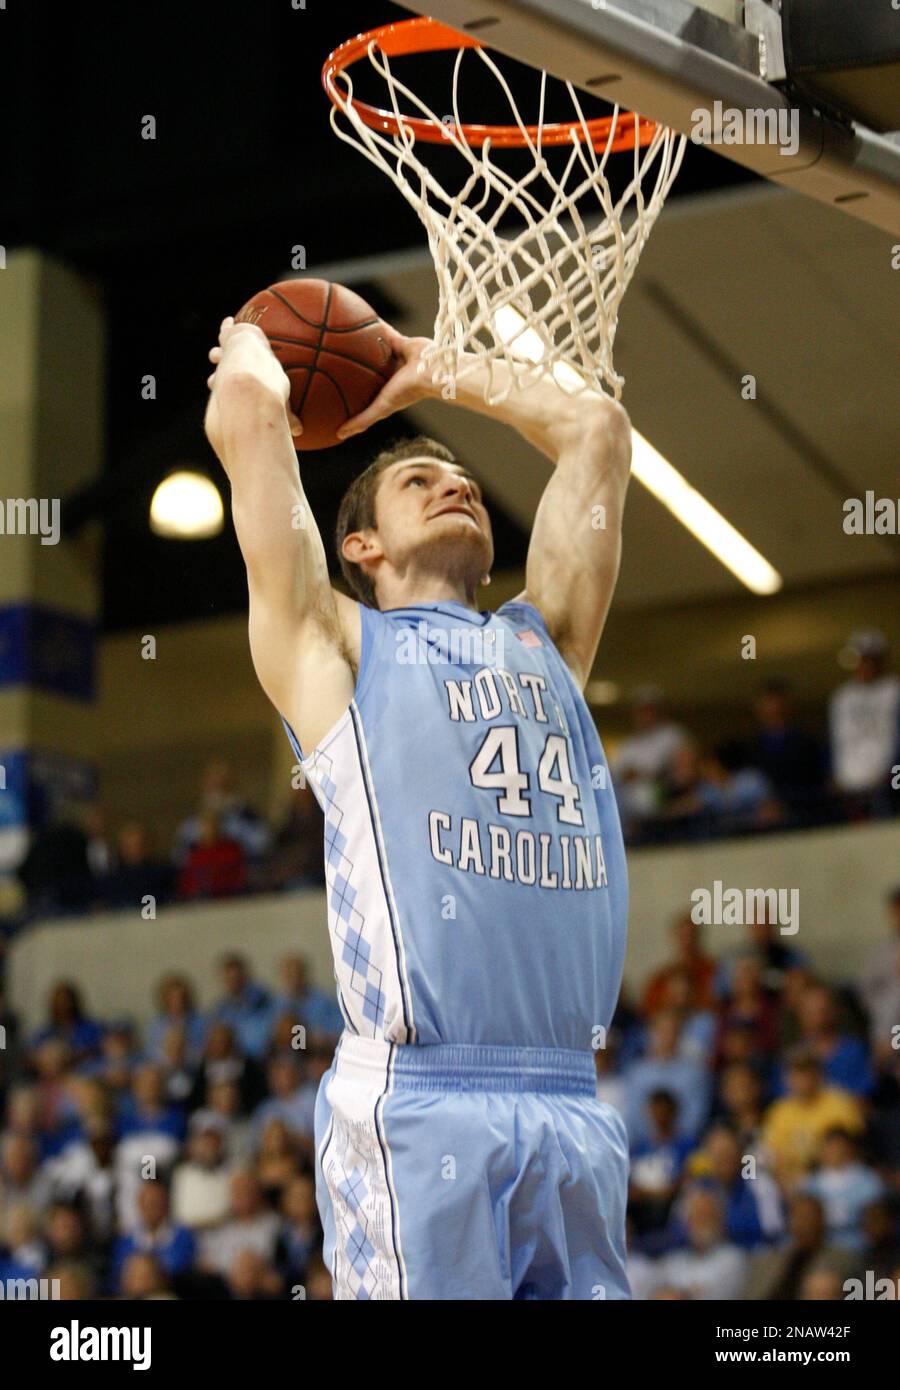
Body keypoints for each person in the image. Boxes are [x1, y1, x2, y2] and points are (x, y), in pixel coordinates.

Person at [204, 311, 633, 1299]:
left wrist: (422, 366)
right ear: (360, 544)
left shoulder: (548, 643)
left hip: (569, 1096)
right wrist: (258, 368)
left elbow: (595, 431)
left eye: (467, 481)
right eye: (418, 480)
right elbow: (253, 434)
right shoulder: (333, 645)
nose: (458, 483)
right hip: (421, 1101)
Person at [828, 630, 900, 814]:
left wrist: (891, 774)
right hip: (849, 784)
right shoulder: (842, 696)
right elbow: (837, 740)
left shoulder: (894, 690)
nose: (866, 664)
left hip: (887, 783)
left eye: (871, 659)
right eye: (862, 658)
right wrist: (835, 775)